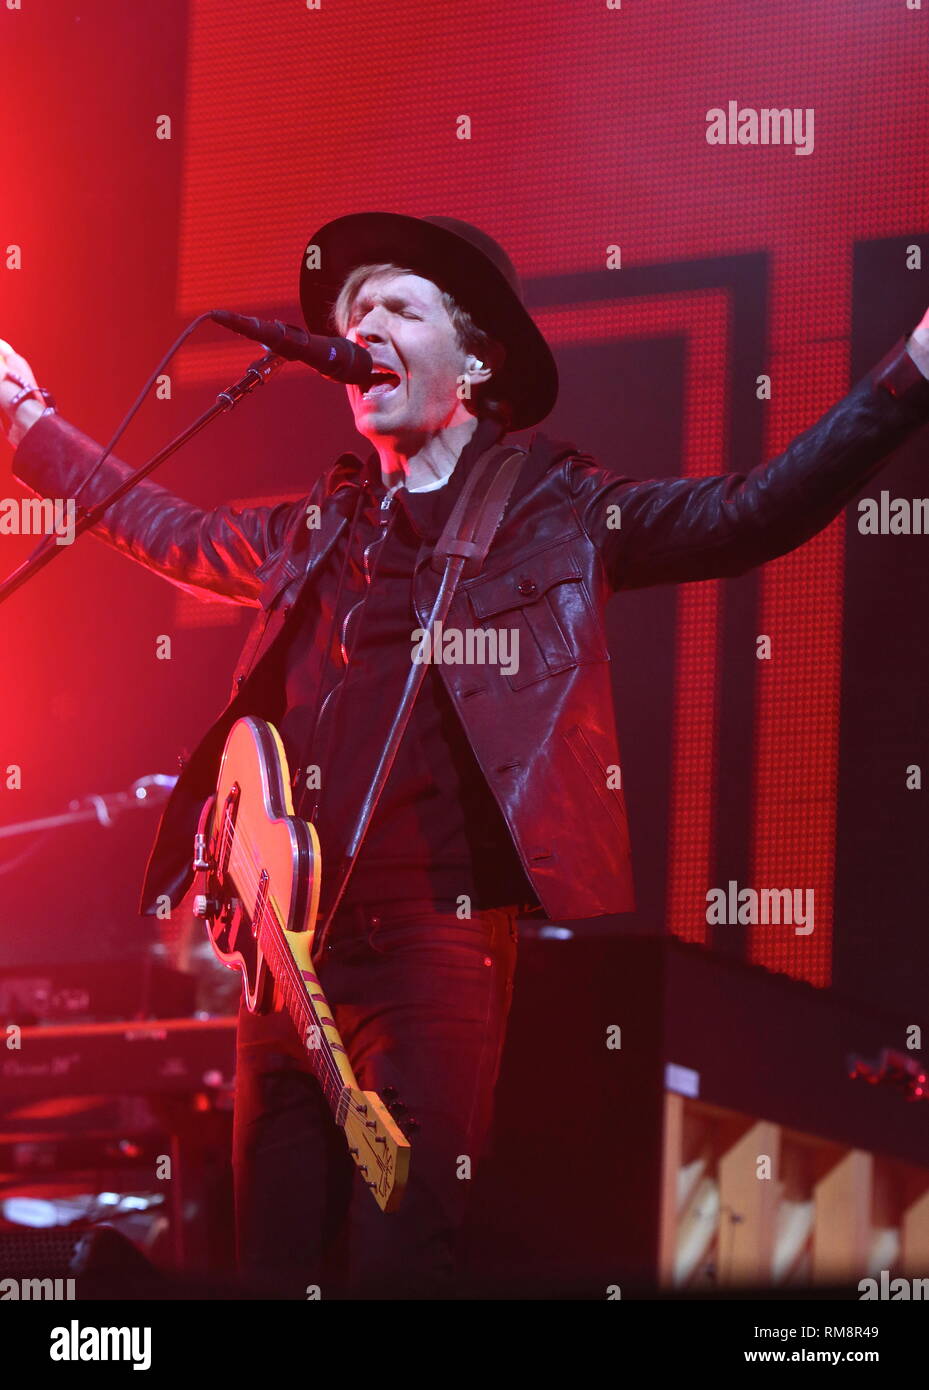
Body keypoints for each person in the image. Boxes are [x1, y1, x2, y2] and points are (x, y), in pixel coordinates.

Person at [3, 212, 929, 1299]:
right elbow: (160, 525)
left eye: (398, 307)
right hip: (283, 957)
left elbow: (752, 510)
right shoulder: (317, 530)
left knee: (404, 1257)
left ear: (476, 358)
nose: (362, 328)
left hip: (431, 945)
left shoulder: (560, 511)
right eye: (354, 314)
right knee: (270, 1267)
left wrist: (908, 372)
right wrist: (25, 421)